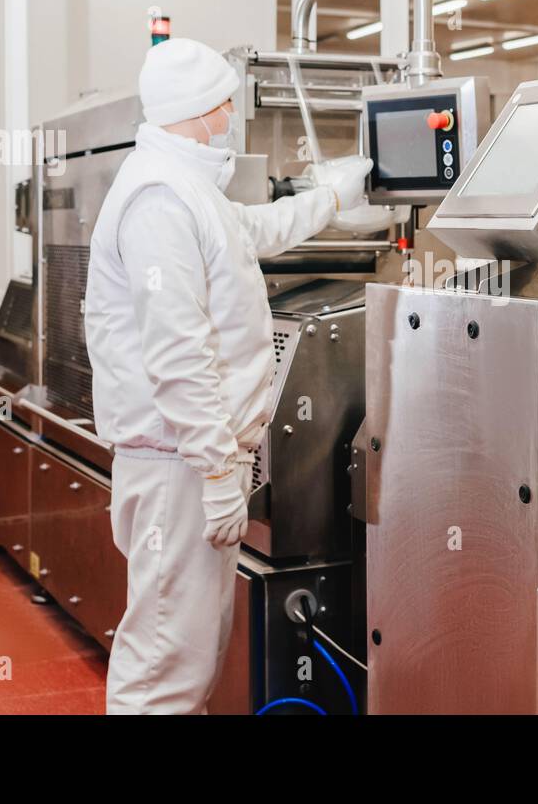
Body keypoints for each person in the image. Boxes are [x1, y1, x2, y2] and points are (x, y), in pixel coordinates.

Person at [84, 38, 372, 714]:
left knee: (184, 647)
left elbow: (255, 228)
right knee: (165, 664)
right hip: (178, 466)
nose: (231, 111)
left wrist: (331, 195)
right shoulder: (158, 199)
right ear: (202, 106)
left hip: (185, 461)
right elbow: (178, 353)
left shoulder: (187, 189)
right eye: (224, 99)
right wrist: (216, 470)